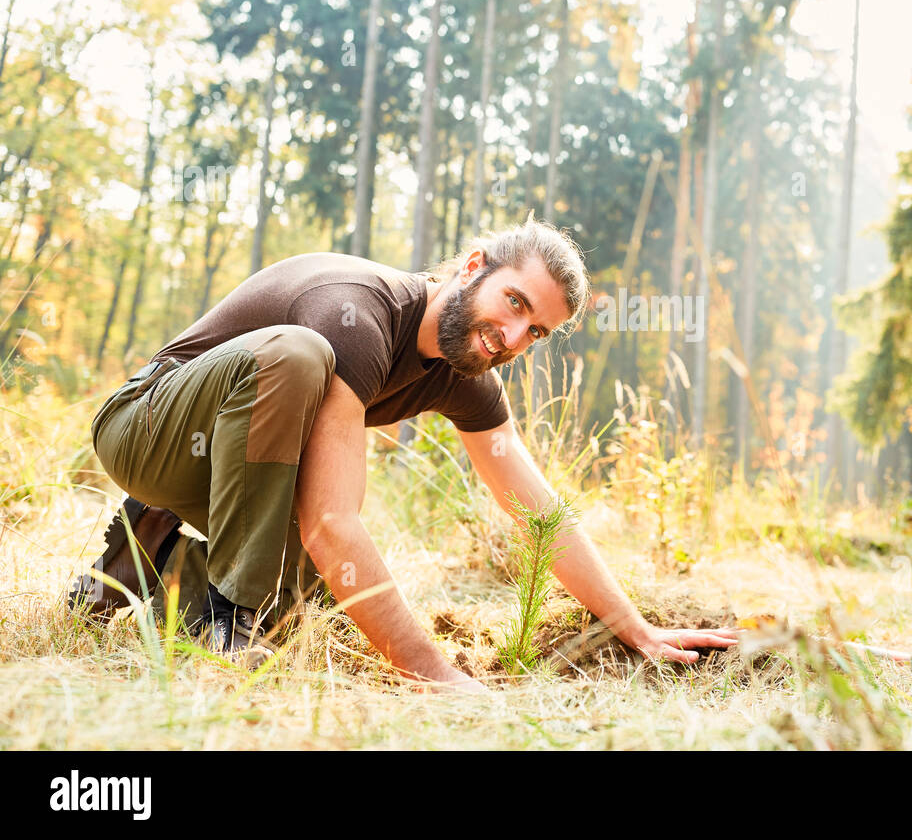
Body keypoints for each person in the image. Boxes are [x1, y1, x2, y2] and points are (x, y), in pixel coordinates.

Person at [70, 217, 738, 690]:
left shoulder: (465, 370)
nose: (510, 335)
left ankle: (151, 558)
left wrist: (636, 627)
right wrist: (433, 671)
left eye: (534, 330)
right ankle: (230, 627)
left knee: (319, 599)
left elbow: (540, 511)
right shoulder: (358, 313)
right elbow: (334, 522)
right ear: (473, 266)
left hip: (227, 472)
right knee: (301, 359)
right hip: (146, 428)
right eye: (514, 302)